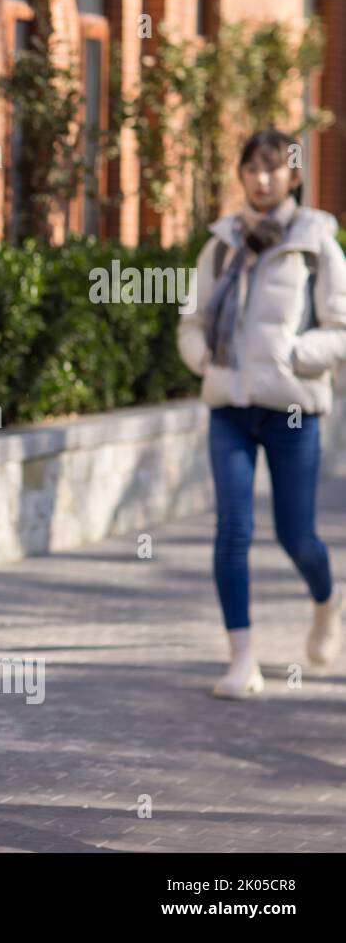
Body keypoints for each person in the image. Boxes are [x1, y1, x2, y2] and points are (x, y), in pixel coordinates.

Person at [177, 127, 346, 699]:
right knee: (233, 530)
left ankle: (327, 601)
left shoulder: (317, 241)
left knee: (296, 535)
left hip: (293, 410)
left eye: (274, 168)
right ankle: (241, 658)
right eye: (253, 168)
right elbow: (192, 320)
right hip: (230, 407)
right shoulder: (221, 243)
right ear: (241, 175)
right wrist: (204, 360)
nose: (263, 178)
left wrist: (294, 355)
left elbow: (340, 330)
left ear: (292, 175)